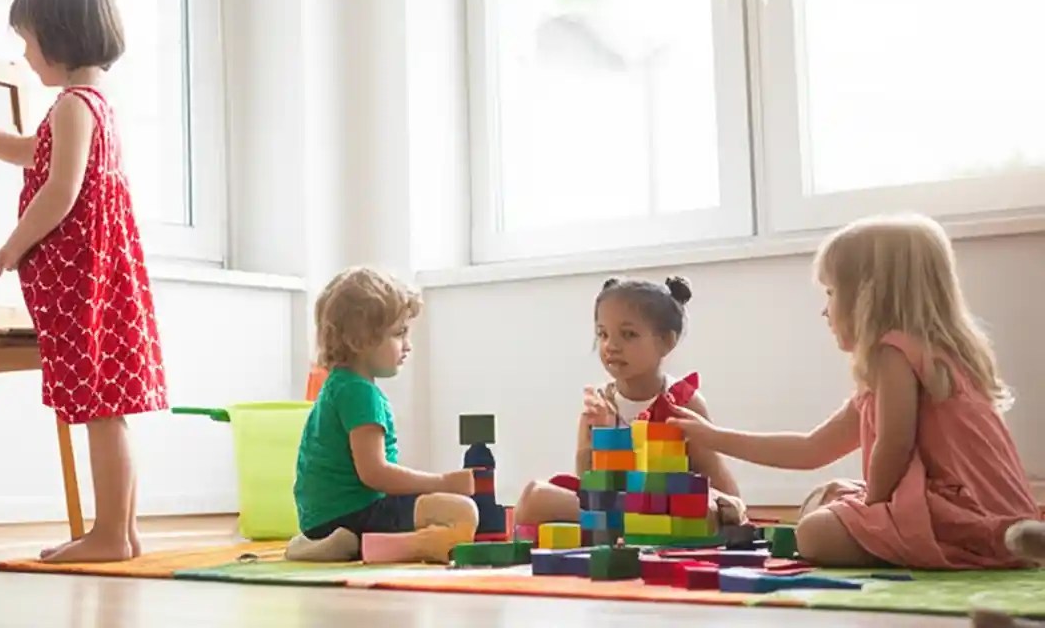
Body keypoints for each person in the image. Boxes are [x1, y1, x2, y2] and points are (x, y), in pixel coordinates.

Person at [0, 0, 164, 563]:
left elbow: (59, 191)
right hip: (99, 278)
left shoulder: (74, 105)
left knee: (102, 409)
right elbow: (29, 153)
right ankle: (120, 533)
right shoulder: (92, 106)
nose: (25, 56)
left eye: (27, 42)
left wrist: (14, 244)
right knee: (108, 408)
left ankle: (108, 535)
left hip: (84, 281)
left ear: (59, 34)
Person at [670, 214, 1039, 568]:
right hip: (997, 514)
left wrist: (873, 506)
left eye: (831, 292)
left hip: (966, 518)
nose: (825, 311)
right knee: (827, 494)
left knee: (813, 532)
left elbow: (894, 445)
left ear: (867, 296)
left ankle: (977, 545)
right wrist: (712, 436)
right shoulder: (932, 360)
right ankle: (997, 540)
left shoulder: (892, 355)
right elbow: (810, 449)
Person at [514, 276, 746, 530]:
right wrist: (601, 437)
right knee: (533, 497)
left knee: (711, 510)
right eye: (603, 334)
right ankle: (630, 525)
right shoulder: (601, 402)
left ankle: (636, 525)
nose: (611, 346)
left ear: (666, 342)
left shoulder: (684, 402)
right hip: (615, 508)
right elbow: (588, 484)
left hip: (667, 507)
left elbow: (724, 490)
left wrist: (725, 506)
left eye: (628, 335)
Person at [286, 267, 477, 563]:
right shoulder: (361, 393)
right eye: (399, 333)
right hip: (354, 514)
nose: (408, 345)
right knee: (463, 511)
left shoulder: (338, 384)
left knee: (433, 507)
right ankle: (396, 547)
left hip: (319, 520)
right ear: (360, 339)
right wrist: (441, 481)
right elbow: (375, 473)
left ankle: (333, 544)